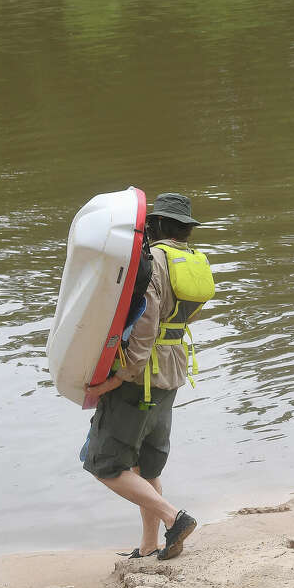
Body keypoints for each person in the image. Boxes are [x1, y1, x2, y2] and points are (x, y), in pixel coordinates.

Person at [82, 192, 215, 560]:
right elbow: (188, 316)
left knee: (104, 464)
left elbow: (144, 325)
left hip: (140, 379)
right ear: (186, 230)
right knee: (146, 464)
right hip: (173, 371)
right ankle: (150, 545)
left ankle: (176, 519)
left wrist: (117, 378)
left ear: (154, 225)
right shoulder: (192, 261)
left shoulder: (151, 262)